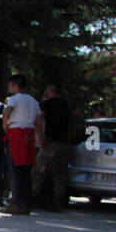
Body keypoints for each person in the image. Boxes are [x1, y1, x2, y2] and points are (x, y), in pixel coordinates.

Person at [2, 73, 41, 215]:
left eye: (11, 85)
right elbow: (38, 122)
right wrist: (40, 140)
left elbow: (7, 113)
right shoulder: (34, 101)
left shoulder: (14, 99)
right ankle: (27, 202)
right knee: (26, 170)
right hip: (29, 135)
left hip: (17, 133)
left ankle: (17, 202)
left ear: (16, 85)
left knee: (15, 168)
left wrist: (6, 126)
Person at [33, 83, 73, 211]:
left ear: (50, 92)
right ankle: (57, 202)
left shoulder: (47, 104)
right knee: (60, 174)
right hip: (65, 143)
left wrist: (41, 139)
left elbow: (38, 121)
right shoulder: (67, 104)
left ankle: (32, 198)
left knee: (39, 171)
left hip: (51, 142)